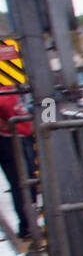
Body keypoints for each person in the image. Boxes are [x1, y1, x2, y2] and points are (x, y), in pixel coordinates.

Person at [0, 90, 36, 240]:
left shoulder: (11, 85)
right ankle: (27, 226)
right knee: (23, 183)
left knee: (25, 182)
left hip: (23, 135)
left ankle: (29, 224)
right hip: (12, 138)